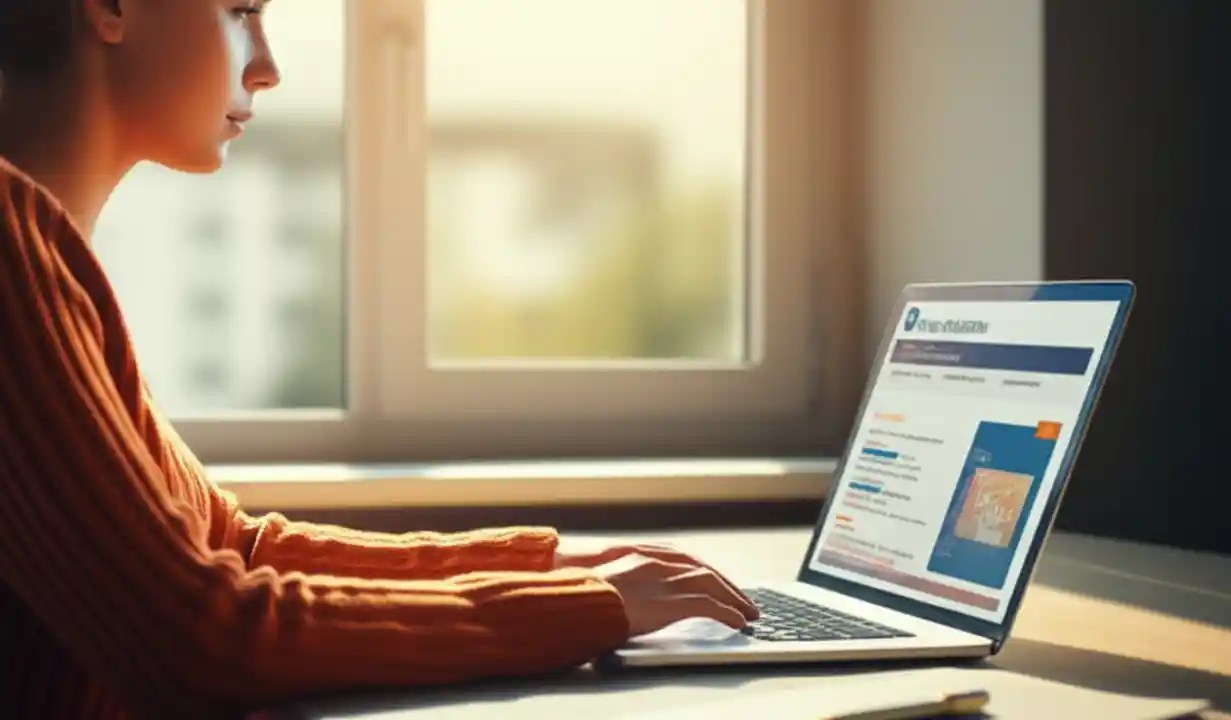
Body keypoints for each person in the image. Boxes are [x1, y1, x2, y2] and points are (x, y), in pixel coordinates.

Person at [0, 1, 759, 717]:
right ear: (111, 5)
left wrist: (555, 570)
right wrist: (592, 608)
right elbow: (201, 632)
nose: (265, 67)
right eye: (241, 11)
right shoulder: (9, 246)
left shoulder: (46, 251)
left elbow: (230, 545)